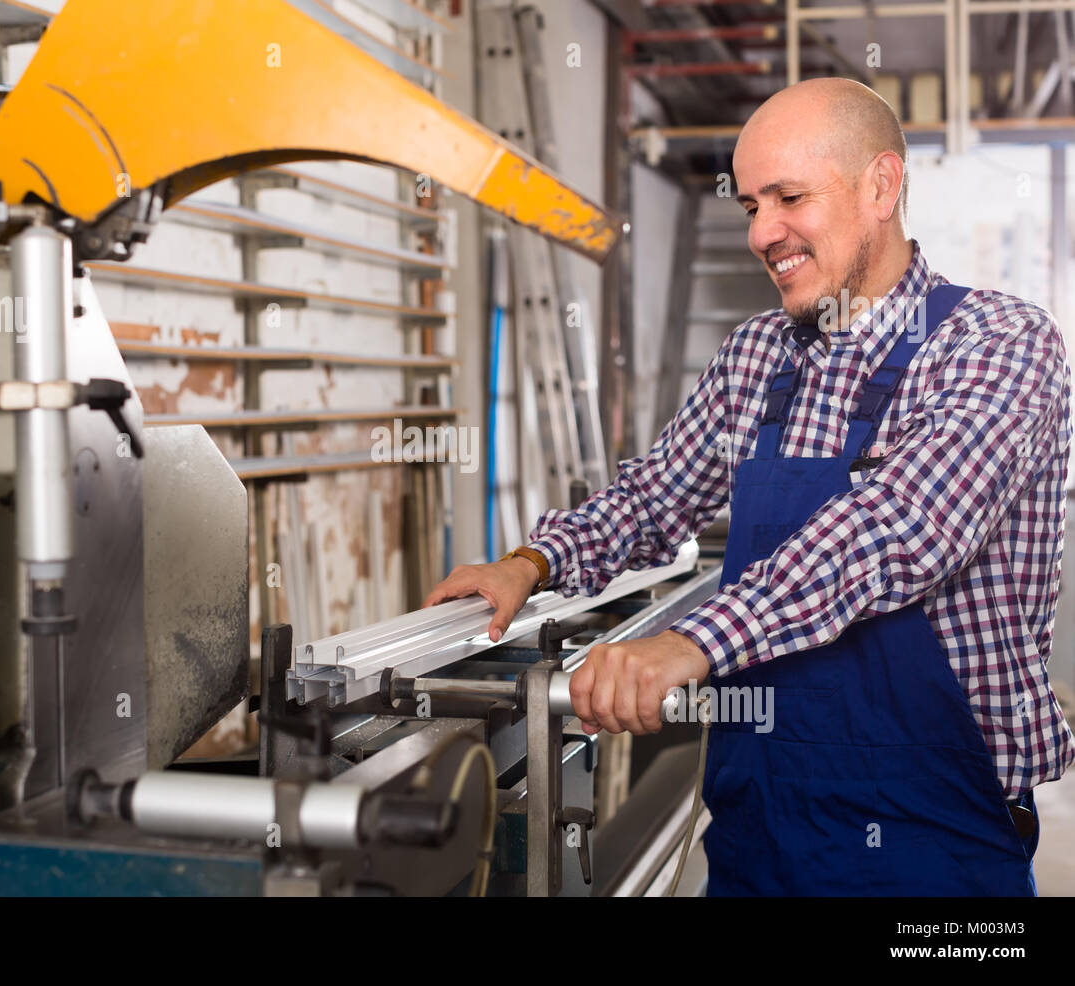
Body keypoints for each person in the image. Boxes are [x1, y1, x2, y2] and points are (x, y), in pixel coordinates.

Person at [423, 77, 1074, 895]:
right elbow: (652, 498)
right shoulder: (756, 357)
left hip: (931, 848)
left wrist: (689, 643)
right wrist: (529, 563)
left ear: (882, 186)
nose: (764, 233)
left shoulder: (999, 342)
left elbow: (901, 528)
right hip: (757, 840)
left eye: (789, 197)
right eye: (750, 206)